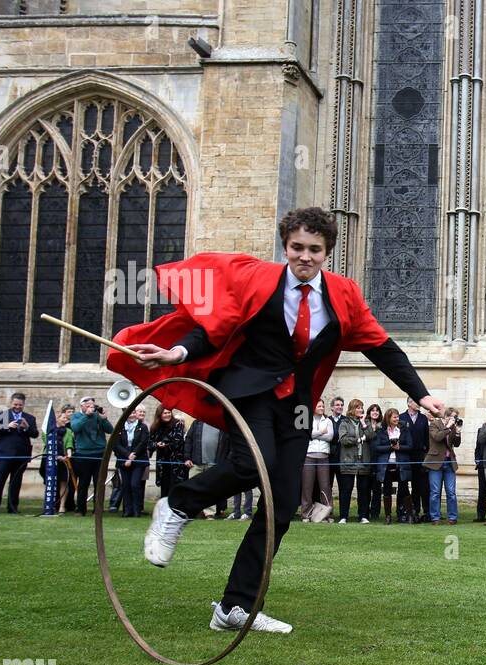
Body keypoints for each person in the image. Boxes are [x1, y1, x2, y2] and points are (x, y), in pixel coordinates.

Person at [118, 206, 440, 634]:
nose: (305, 257)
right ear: (285, 246)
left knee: (283, 504)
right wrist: (178, 352)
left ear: (328, 252)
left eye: (315, 249)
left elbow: (382, 347)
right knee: (253, 464)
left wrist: (420, 393)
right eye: (296, 248)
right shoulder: (259, 281)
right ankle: (178, 504)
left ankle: (236, 607)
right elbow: (213, 328)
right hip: (250, 391)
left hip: (300, 404)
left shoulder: (344, 294)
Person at [0, 392, 39, 514]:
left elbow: (35, 434)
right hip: (4, 454)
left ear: (23, 404)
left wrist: (26, 428)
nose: (17, 407)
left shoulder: (29, 418)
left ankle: (12, 507)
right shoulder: (2, 416)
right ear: (11, 403)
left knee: (16, 482)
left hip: (21, 455)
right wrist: (6, 426)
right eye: (15, 404)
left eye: (20, 405)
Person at [65, 397, 111, 517]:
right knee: (83, 483)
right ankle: (81, 509)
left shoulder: (97, 416)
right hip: (83, 454)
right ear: (82, 406)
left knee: (99, 483)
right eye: (88, 405)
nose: (91, 407)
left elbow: (110, 430)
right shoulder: (76, 416)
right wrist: (86, 416)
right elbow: (75, 428)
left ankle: (97, 510)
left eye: (93, 405)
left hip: (99, 453)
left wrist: (104, 419)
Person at [337, 398, 375, 523]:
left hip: (363, 460)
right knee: (346, 489)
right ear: (352, 409)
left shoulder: (366, 422)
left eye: (361, 407)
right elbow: (343, 439)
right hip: (348, 460)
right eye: (358, 408)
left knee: (363, 490)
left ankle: (363, 516)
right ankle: (343, 516)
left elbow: (371, 436)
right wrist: (357, 439)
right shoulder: (345, 423)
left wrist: (364, 423)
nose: (361, 410)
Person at [184, 415, 227, 519]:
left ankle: (209, 514)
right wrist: (187, 458)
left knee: (210, 490)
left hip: (213, 464)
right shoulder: (197, 423)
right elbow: (189, 440)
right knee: (192, 488)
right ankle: (191, 512)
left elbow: (226, 444)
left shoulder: (221, 425)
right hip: (196, 463)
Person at [424, 407, 462, 525]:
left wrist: (457, 432)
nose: (455, 419)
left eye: (456, 417)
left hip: (449, 462)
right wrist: (448, 428)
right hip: (435, 462)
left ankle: (452, 517)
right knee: (435, 492)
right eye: (453, 417)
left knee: (451, 491)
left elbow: (457, 444)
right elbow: (437, 437)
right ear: (446, 416)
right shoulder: (434, 424)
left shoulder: (453, 426)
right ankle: (435, 517)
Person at [373, 406, 409, 524]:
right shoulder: (381, 431)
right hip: (387, 464)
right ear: (388, 418)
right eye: (394, 417)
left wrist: (399, 447)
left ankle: (405, 514)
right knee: (387, 490)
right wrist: (390, 446)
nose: (396, 419)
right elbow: (377, 447)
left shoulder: (403, 429)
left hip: (401, 463)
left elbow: (410, 445)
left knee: (403, 489)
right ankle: (388, 516)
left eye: (397, 416)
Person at [113, 404, 150, 517]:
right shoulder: (119, 427)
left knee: (135, 484)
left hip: (138, 459)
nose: (132, 415)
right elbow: (116, 444)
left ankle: (137, 510)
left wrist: (133, 455)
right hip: (124, 459)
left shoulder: (142, 427)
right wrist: (127, 455)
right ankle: (127, 510)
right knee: (126, 485)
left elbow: (143, 442)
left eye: (134, 412)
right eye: (130, 412)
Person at [300, 398, 334, 522]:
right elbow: (305, 434)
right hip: (309, 457)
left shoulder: (328, 421)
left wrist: (314, 434)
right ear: (313, 407)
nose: (321, 408)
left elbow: (329, 436)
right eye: (319, 406)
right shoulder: (307, 419)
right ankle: (306, 514)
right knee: (307, 487)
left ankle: (327, 514)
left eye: (323, 406)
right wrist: (321, 432)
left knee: (325, 486)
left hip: (323, 457)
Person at [400, 398, 430, 523]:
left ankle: (421, 511)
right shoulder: (401, 417)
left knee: (420, 484)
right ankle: (407, 511)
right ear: (409, 403)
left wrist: (426, 452)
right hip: (406, 455)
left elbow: (427, 437)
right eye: (416, 402)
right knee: (405, 484)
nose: (418, 405)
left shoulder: (423, 418)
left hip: (420, 455)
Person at [151, 406, 188, 506]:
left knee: (174, 485)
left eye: (169, 413)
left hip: (175, 461)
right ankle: (164, 507)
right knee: (164, 485)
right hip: (162, 462)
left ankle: (175, 507)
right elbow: (151, 441)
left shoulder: (177, 424)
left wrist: (166, 445)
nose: (167, 415)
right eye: (165, 413)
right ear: (160, 415)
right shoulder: (156, 427)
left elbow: (178, 442)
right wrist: (156, 445)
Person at [364, 403, 387, 520]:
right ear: (369, 413)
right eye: (372, 410)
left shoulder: (382, 427)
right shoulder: (364, 425)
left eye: (377, 410)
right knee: (365, 488)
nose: (375, 412)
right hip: (366, 459)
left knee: (377, 489)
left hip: (378, 460)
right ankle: (364, 512)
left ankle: (375, 513)